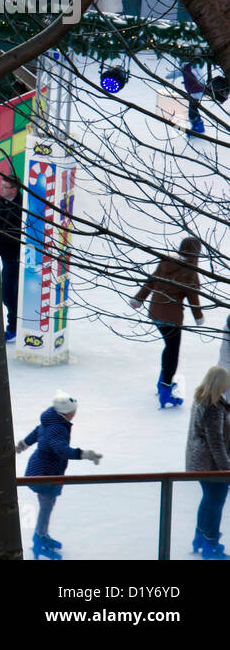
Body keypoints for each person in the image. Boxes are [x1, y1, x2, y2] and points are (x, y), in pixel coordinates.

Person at [16, 390, 103, 559]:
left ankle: (42, 535)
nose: (75, 413)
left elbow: (36, 432)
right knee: (46, 505)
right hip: (45, 474)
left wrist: (22, 445)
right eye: (74, 411)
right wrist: (86, 454)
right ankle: (39, 538)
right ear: (68, 413)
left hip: (42, 470)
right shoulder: (57, 428)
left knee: (47, 505)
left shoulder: (51, 420)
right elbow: (62, 450)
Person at [131, 235, 203, 408]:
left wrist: (138, 299)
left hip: (155, 312)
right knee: (173, 351)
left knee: (168, 347)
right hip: (171, 318)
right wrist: (198, 316)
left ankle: (162, 381)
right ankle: (165, 390)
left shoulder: (166, 262)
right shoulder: (190, 271)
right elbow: (193, 297)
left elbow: (152, 281)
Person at [187, 365, 230, 559]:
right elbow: (216, 442)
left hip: (199, 462)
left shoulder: (200, 400)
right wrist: (226, 469)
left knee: (208, 500)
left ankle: (201, 538)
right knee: (215, 503)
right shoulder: (213, 408)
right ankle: (210, 544)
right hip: (212, 465)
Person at [0, 174, 23, 342]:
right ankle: (13, 326)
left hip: (16, 256)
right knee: (9, 293)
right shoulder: (5, 201)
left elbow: (12, 232)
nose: (0, 189)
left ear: (13, 190)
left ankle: (16, 325)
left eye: (4, 187)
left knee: (9, 294)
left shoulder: (20, 206)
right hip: (5, 254)